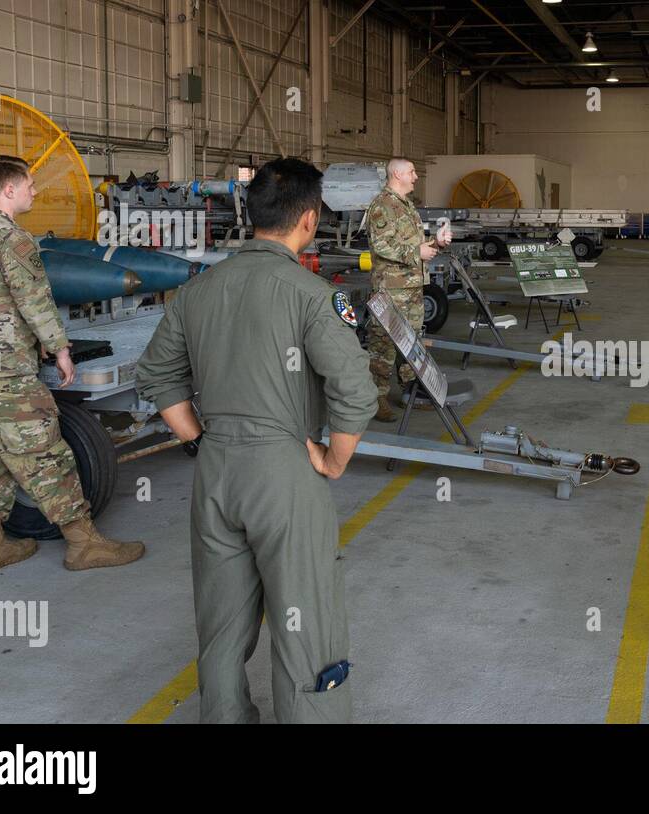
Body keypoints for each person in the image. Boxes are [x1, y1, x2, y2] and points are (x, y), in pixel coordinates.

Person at [136, 158, 379, 723]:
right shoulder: (313, 295)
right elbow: (356, 392)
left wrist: (200, 440)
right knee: (306, 619)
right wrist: (336, 460)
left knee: (221, 624)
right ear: (310, 220)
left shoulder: (198, 290)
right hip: (284, 473)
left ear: (249, 215)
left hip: (217, 473)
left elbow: (157, 377)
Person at [0, 155, 144, 576]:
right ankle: (82, 543)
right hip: (6, 371)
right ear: (9, 190)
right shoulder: (13, 240)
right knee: (45, 453)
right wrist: (59, 348)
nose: (35, 191)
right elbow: (34, 300)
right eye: (30, 184)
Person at [365, 158, 446, 422]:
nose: (416, 177)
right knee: (384, 343)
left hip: (411, 287)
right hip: (392, 289)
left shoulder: (405, 205)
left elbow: (414, 245)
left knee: (411, 342)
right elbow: (382, 245)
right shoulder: (382, 205)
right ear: (398, 174)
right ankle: (376, 397)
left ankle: (411, 391)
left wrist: (437, 242)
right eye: (412, 172)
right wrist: (416, 252)